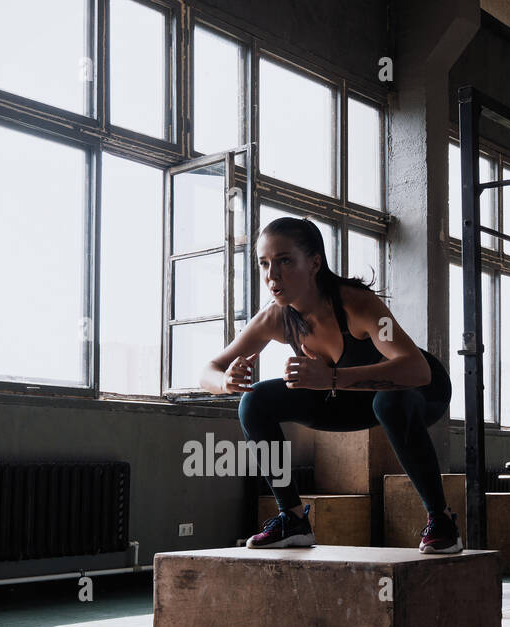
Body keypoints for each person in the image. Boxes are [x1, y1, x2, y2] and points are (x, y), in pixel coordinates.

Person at [198, 217, 462, 553]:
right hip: (347, 397)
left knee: (388, 403)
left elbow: (417, 369)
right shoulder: (276, 317)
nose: (271, 276)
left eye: (284, 261)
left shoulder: (358, 305)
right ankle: (292, 519)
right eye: (264, 264)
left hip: (417, 391)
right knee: (254, 402)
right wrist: (226, 380)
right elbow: (208, 370)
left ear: (314, 263)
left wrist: (332, 378)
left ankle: (441, 520)